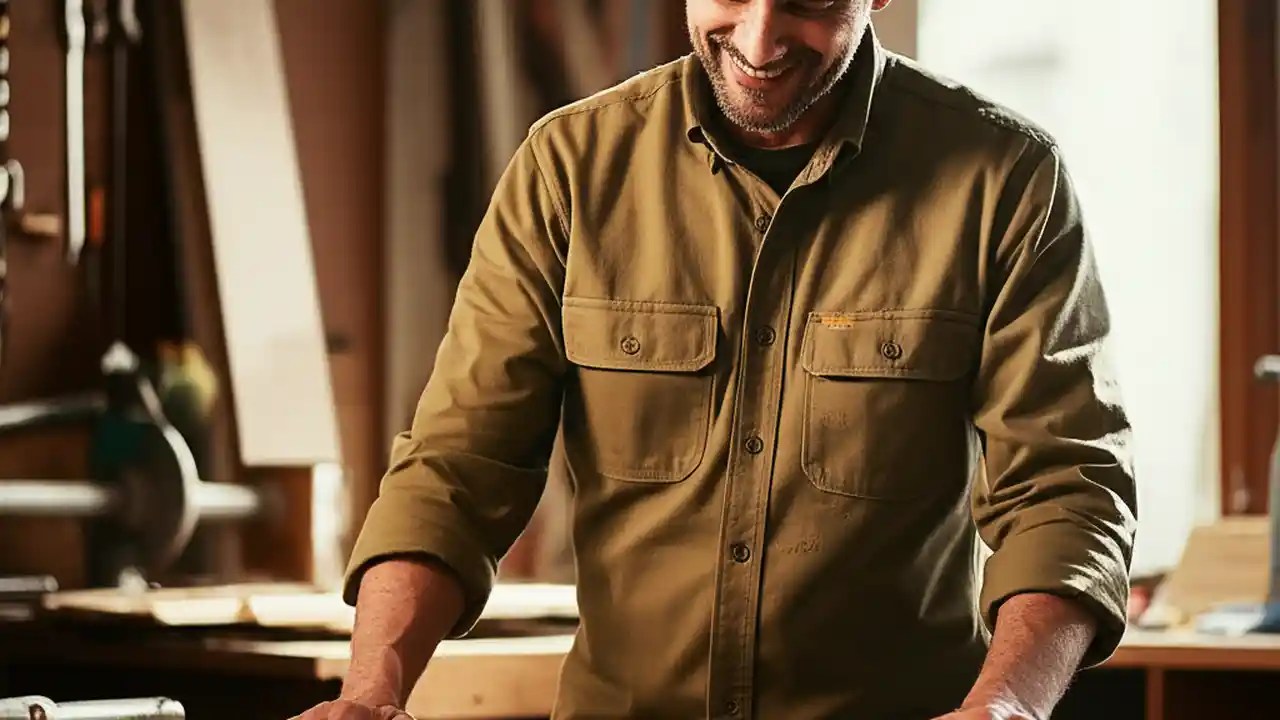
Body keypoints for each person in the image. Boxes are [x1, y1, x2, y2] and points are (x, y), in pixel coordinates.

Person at [296, 0, 1137, 718]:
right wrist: (371, 692)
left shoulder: (1007, 180)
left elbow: (1064, 490)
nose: (762, 39)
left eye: (808, 1)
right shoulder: (569, 170)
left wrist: (1006, 704)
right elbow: (459, 464)